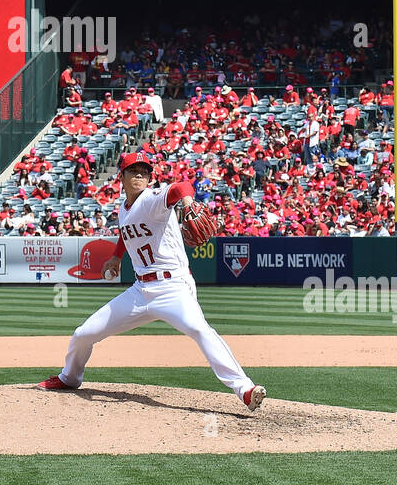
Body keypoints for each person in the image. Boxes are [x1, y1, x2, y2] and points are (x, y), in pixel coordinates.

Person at [37, 151, 266, 411]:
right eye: (133, 170)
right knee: (83, 334)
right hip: (140, 291)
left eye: (144, 171)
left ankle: (245, 389)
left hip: (173, 288)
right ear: (120, 176)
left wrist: (189, 201)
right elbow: (127, 231)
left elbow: (180, 187)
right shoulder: (124, 210)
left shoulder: (152, 199)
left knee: (200, 330)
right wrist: (115, 258)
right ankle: (70, 377)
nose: (139, 174)